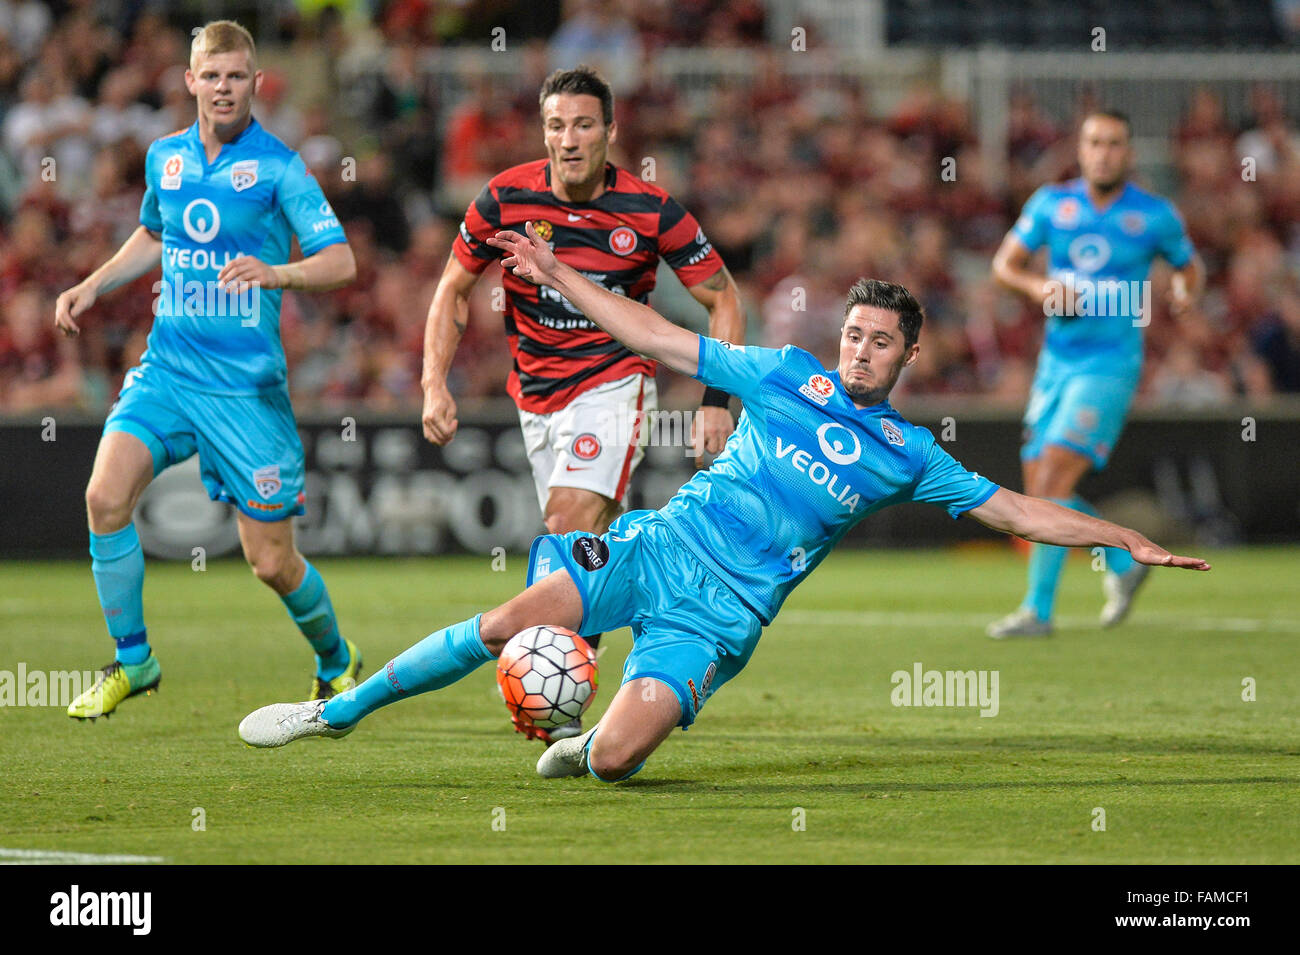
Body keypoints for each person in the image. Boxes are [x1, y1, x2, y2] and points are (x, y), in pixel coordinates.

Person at [238, 225, 1210, 783]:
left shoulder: (909, 454)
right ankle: (339, 710)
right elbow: (659, 336)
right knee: (505, 621)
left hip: (723, 617)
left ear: (909, 355)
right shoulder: (784, 372)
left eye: (881, 342)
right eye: (855, 333)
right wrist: (563, 274)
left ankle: (592, 736)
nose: (861, 349)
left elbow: (1019, 511)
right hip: (658, 548)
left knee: (614, 766)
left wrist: (1119, 536)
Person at [421, 65, 744, 738]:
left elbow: (724, 298)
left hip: (615, 382)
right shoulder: (504, 197)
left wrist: (717, 397)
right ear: (544, 132)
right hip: (535, 394)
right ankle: (622, 663)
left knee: (566, 521)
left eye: (584, 124)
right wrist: (433, 382)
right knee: (587, 544)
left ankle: (555, 699)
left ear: (611, 131)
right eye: (556, 125)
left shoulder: (651, 210)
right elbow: (453, 287)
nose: (569, 139)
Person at [56, 21, 362, 720]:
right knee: (104, 497)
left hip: (245, 392)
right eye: (212, 75)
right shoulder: (164, 157)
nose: (223, 88)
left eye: (236, 76)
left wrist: (279, 272)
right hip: (167, 370)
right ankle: (134, 661)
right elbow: (153, 233)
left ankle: (336, 659)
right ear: (190, 80)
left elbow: (341, 261)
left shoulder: (281, 167)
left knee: (271, 562)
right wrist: (93, 284)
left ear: (256, 82)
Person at [986, 110, 1205, 638]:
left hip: (1110, 365)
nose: (1104, 153)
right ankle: (1126, 561)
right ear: (1080, 150)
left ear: (1129, 152)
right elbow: (1003, 266)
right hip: (1055, 363)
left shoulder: (1153, 215)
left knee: (1054, 477)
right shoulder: (1051, 204)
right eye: (1095, 143)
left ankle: (1038, 612)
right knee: (1040, 490)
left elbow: (1189, 265)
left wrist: (1185, 291)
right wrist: (1038, 287)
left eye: (1114, 144)